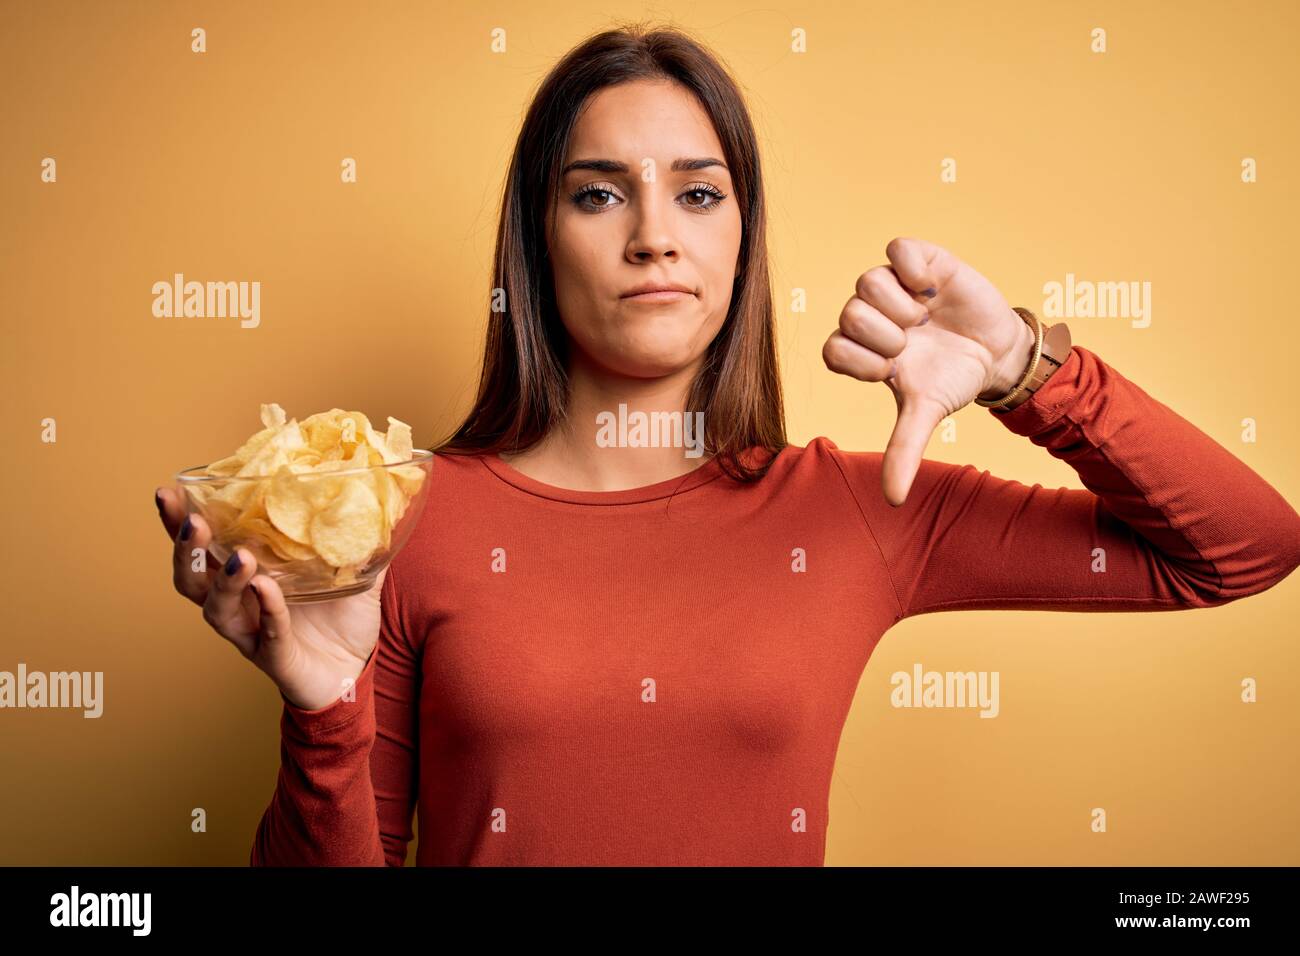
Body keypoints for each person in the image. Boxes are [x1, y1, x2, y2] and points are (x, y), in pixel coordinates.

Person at [155, 25, 1300, 866]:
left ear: (743, 239)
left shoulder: (855, 509)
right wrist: (320, 708)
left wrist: (1025, 372)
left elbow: (1242, 548)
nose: (655, 235)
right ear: (536, 243)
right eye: (599, 195)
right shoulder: (413, 519)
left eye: (697, 194)